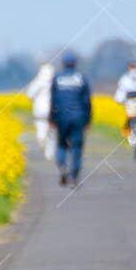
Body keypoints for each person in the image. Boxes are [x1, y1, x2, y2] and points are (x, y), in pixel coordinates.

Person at [48, 52, 92, 186]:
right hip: (78, 116)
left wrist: (52, 119)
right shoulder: (81, 78)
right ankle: (75, 176)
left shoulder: (57, 78)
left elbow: (53, 101)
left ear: (63, 64)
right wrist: (88, 120)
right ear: (75, 63)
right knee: (77, 147)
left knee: (61, 144)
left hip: (62, 117)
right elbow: (86, 101)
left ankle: (62, 166)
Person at [24, 61, 56, 160]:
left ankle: (42, 139)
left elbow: (29, 94)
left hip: (39, 109)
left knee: (41, 129)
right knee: (52, 132)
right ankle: (49, 153)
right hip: (52, 110)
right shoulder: (55, 81)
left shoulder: (37, 82)